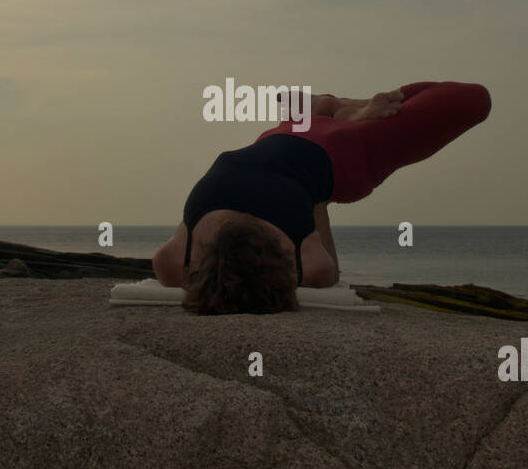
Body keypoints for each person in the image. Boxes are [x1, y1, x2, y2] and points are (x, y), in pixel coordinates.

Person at [153, 82, 492, 315]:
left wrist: (317, 206)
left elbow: (327, 276)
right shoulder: (175, 260)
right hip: (272, 141)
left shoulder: (298, 256)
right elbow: (166, 267)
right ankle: (319, 112)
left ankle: (345, 113)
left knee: (474, 101)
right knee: (471, 99)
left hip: (343, 154)